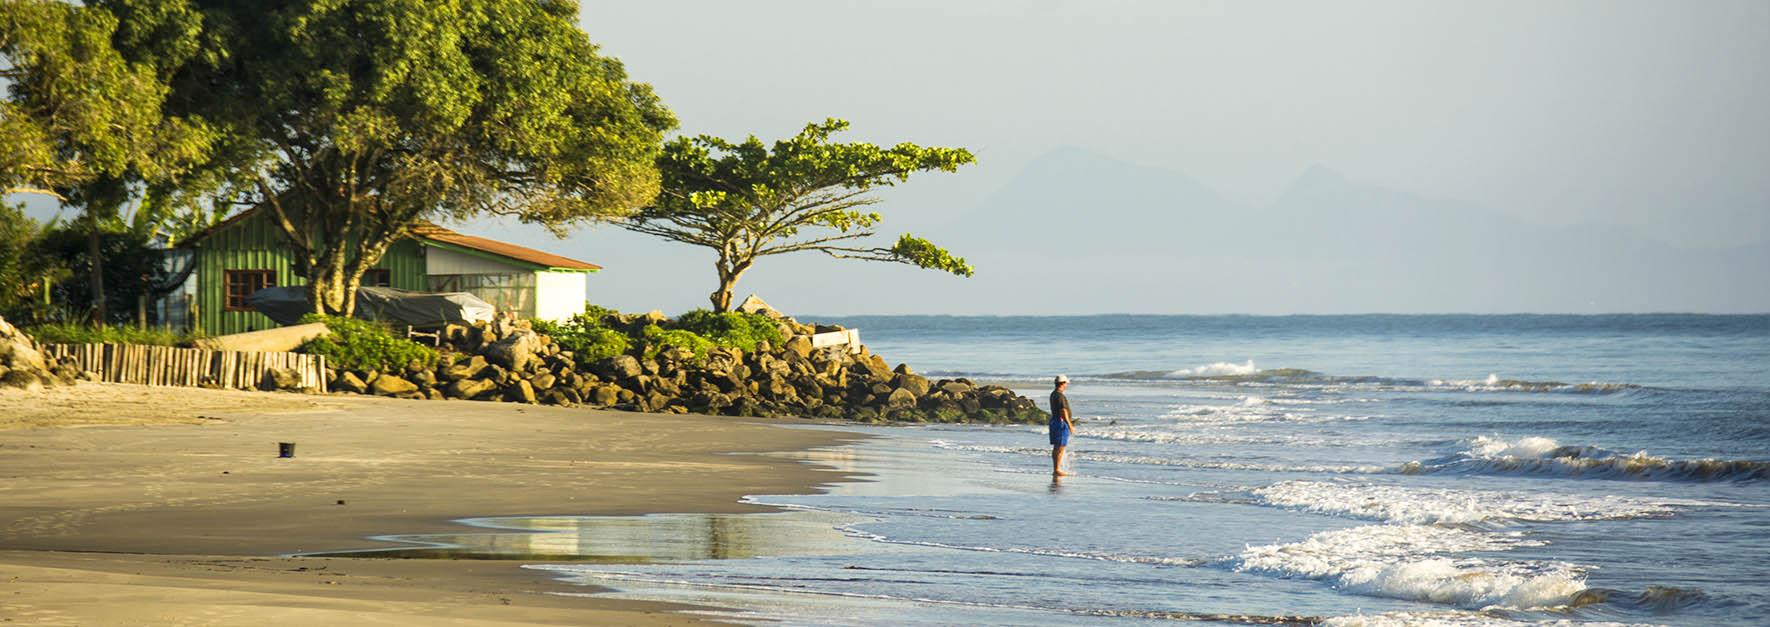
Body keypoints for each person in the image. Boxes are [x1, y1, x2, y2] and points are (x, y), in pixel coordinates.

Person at [1049, 374, 1074, 476]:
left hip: (1055, 421)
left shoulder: (1053, 394)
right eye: (1066, 383)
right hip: (1060, 422)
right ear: (1062, 383)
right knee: (1060, 446)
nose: (1066, 385)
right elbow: (1063, 411)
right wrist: (1070, 424)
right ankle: (1057, 469)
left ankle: (1056, 468)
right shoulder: (1060, 396)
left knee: (1057, 446)